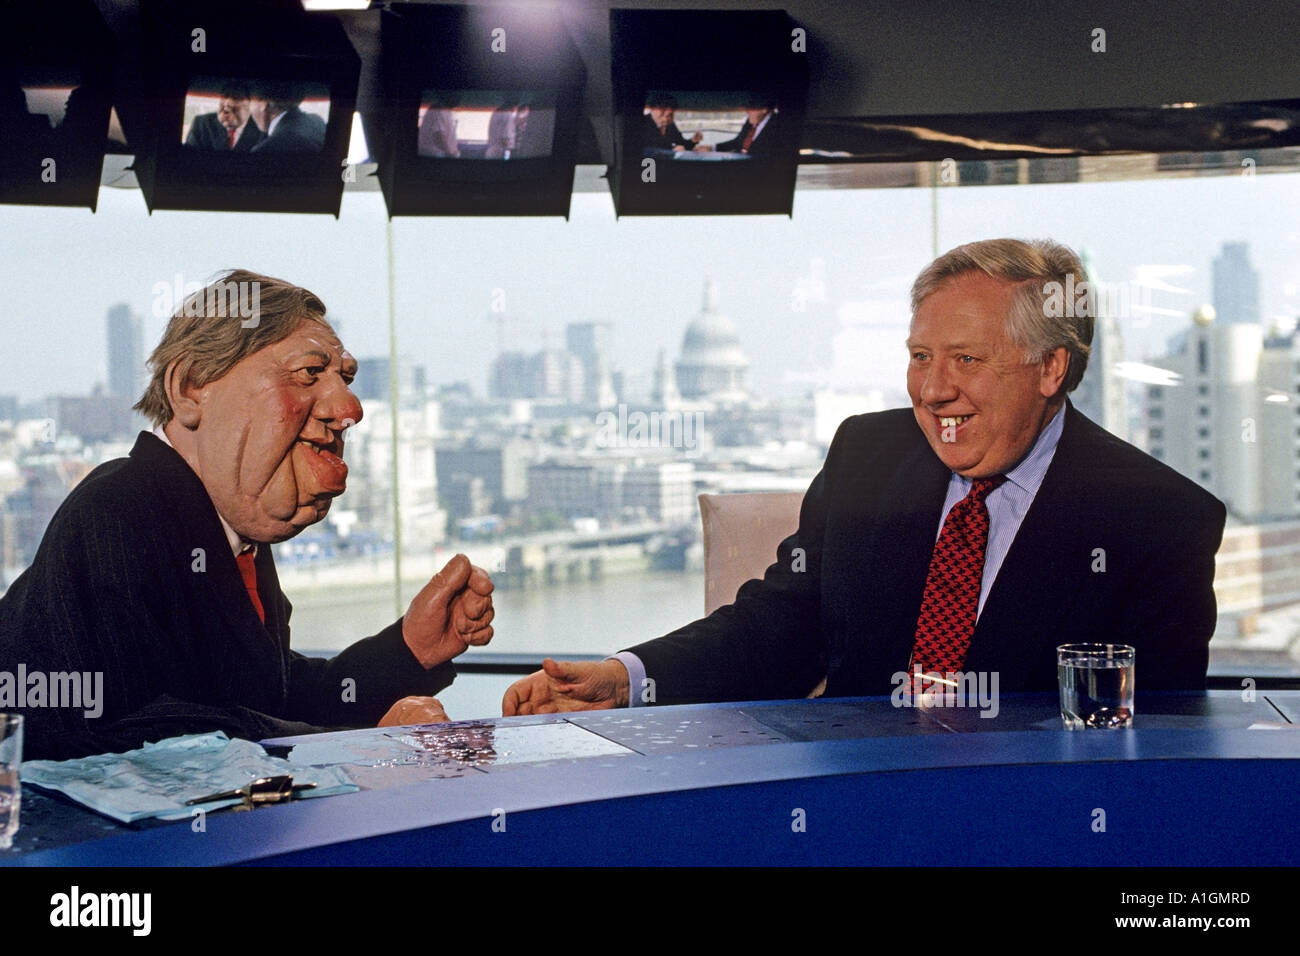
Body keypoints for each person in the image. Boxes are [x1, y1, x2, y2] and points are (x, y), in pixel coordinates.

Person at [503, 239, 1227, 715]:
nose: (932, 390)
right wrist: (626, 679)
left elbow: (1153, 747)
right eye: (919, 356)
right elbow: (778, 629)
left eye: (966, 360)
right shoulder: (867, 453)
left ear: (1050, 368)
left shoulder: (1156, 519)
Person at [0, 270, 494, 759]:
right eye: (308, 373)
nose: (349, 408)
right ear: (191, 387)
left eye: (344, 379)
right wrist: (356, 746)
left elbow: (272, 698)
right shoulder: (116, 510)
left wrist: (410, 649)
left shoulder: (228, 532)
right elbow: (135, 734)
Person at [248, 81, 326, 153]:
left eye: (250, 101)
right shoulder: (316, 120)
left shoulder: (266, 149)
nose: (249, 107)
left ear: (264, 103)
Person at [184, 82, 265, 151]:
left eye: (236, 98)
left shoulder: (261, 132)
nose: (227, 104)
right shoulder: (201, 124)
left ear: (248, 105)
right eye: (224, 97)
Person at [698, 99, 786, 157]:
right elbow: (737, 142)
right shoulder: (751, 121)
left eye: (751, 108)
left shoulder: (779, 125)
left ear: (764, 109)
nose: (747, 112)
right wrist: (712, 148)